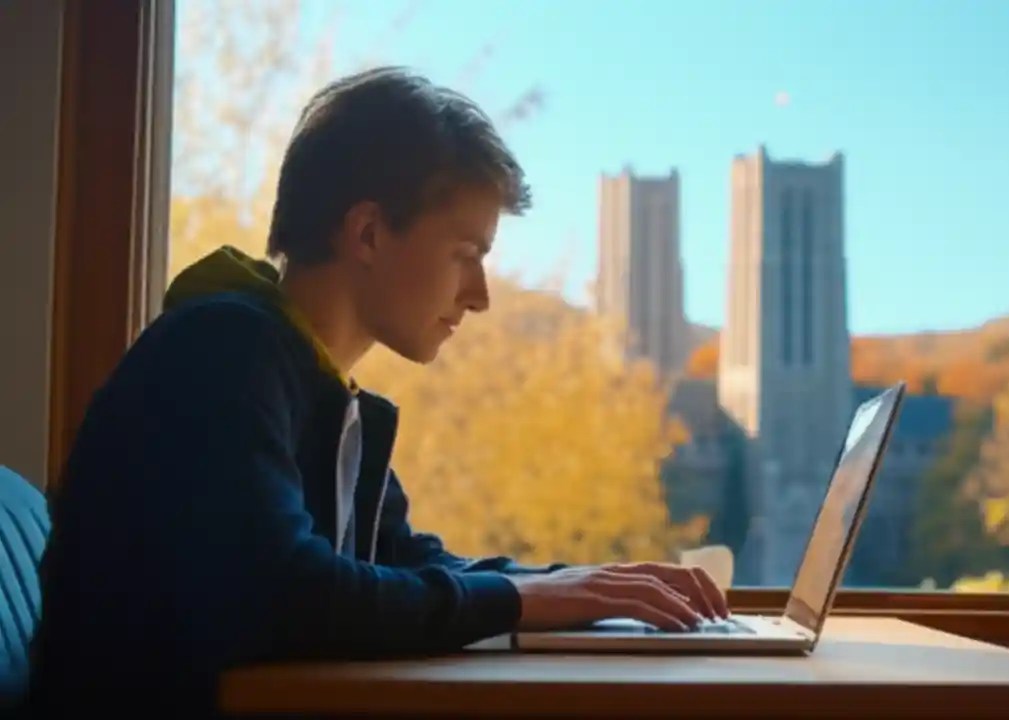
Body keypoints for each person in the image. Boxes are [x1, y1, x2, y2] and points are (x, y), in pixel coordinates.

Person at [28, 66, 727, 716]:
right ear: (367, 233)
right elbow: (289, 594)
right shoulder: (220, 354)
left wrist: (590, 588)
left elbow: (405, 563)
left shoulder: (316, 387)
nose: (479, 296)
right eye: (466, 255)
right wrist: (523, 598)